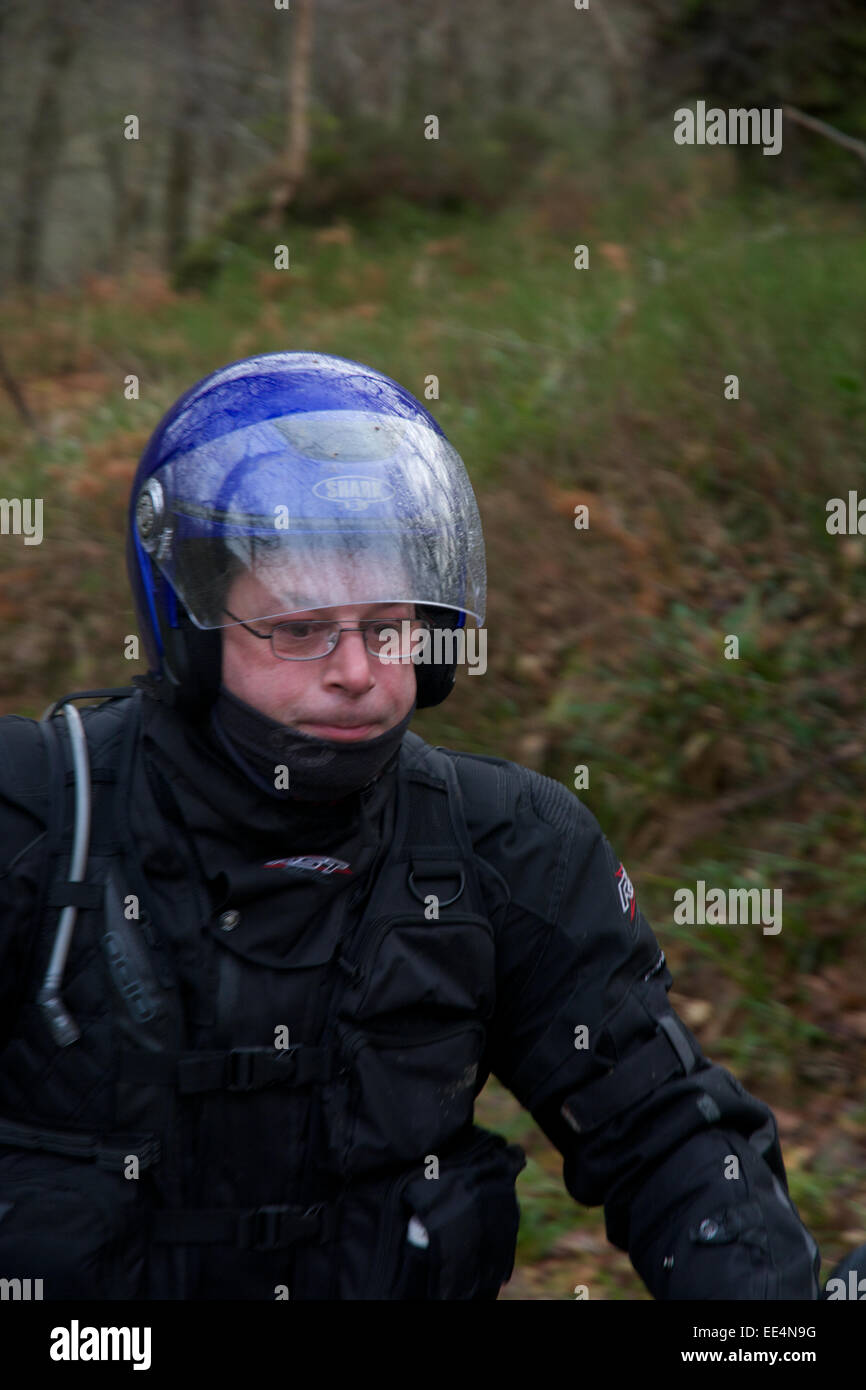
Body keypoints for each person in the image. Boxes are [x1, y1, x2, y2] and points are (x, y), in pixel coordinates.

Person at [0, 351, 821, 1300]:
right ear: (191, 628)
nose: (355, 669)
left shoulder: (510, 843)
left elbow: (669, 1134)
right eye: (300, 627)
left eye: (386, 627)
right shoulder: (39, 816)